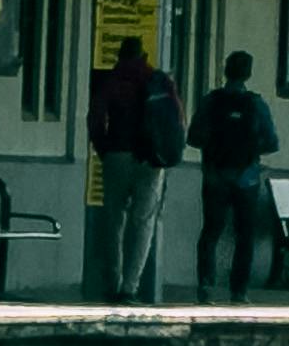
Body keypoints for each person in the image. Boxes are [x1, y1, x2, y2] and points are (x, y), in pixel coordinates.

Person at [85, 35, 185, 303]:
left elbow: (95, 118)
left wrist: (104, 149)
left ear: (120, 54)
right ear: (143, 54)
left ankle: (113, 282)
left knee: (113, 220)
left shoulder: (111, 80)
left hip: (117, 154)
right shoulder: (158, 80)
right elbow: (178, 119)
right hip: (151, 159)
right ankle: (130, 286)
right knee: (143, 222)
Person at [189, 49, 278, 301]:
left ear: (226, 70)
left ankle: (206, 284)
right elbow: (272, 142)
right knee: (244, 234)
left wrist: (214, 152)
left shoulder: (211, 101)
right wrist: (249, 151)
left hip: (214, 176)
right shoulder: (256, 104)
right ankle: (239, 290)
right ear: (248, 74)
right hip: (246, 178)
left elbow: (193, 137)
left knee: (210, 231)